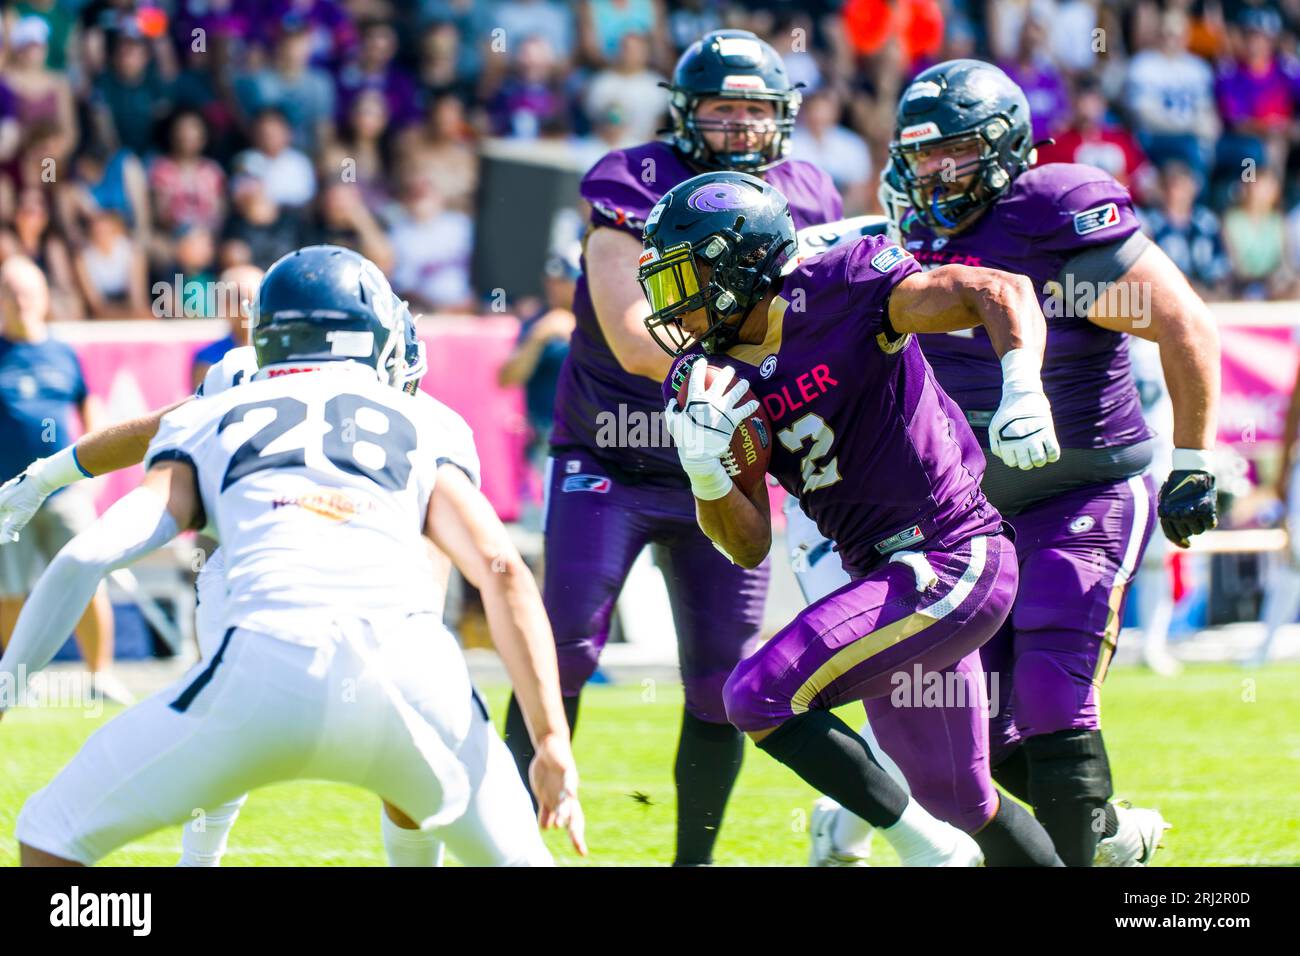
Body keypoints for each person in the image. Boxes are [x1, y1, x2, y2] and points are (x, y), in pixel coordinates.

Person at [0, 246, 586, 867]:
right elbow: (500, 568)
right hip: (411, 679)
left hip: (262, 661)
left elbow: (87, 556)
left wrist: (8, 687)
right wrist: (550, 739)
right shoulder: (426, 421)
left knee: (50, 836)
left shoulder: (218, 404)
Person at [806, 60, 1221, 866]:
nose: (932, 171)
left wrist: (1196, 460)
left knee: (1053, 696)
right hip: (973, 519)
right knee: (977, 734)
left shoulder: (1050, 211)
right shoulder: (906, 236)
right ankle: (1101, 835)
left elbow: (1182, 323)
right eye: (920, 154)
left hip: (1085, 485)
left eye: (951, 152)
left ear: (1000, 148)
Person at [644, 168, 1063, 867]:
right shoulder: (707, 380)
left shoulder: (843, 285)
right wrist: (706, 472)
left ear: (737, 265)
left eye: (681, 279)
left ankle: (923, 851)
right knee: (960, 800)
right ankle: (948, 840)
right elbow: (746, 547)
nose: (670, 305)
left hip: (951, 553)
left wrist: (1023, 387)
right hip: (883, 575)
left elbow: (998, 290)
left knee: (755, 696)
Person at [501, 29, 843, 867]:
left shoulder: (807, 190)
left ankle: (694, 861)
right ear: (686, 112)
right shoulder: (632, 182)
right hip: (611, 460)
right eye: (721, 108)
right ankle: (506, 847)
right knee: (568, 645)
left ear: (783, 116)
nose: (737, 125)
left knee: (720, 679)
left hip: (728, 463)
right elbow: (631, 338)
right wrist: (766, 365)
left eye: (754, 109)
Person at [0, 257, 127, 704]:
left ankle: (101, 675)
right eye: (11, 292)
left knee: (85, 578)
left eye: (28, 292)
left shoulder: (62, 352)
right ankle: (19, 681)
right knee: (8, 591)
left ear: (43, 298)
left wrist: (94, 469)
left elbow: (89, 407)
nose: (20, 301)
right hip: (7, 495)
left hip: (63, 490)